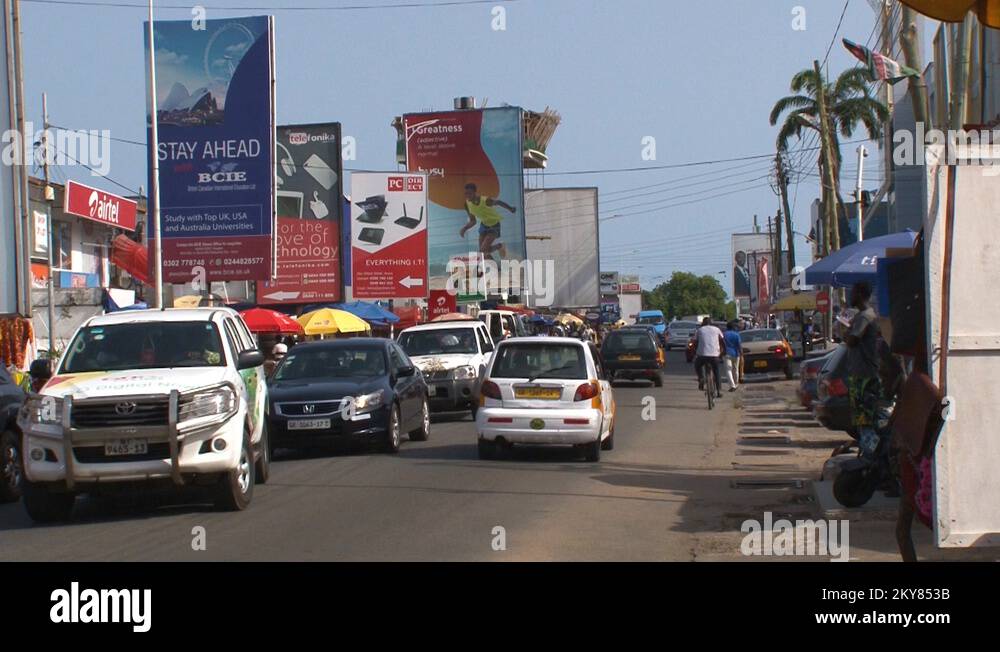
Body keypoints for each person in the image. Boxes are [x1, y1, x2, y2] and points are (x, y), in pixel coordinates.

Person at [844, 282, 881, 457]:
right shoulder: (864, 316)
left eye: (852, 292)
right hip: (862, 375)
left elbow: (852, 340)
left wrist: (845, 330)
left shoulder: (865, 316)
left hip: (865, 377)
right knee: (863, 421)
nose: (849, 295)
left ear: (859, 294)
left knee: (865, 421)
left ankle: (870, 455)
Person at [459, 182, 517, 265]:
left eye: (469, 193)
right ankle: (497, 265)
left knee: (483, 250)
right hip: (484, 225)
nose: (467, 195)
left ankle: (500, 247)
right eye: (466, 193)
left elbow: (498, 202)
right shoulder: (467, 204)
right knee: (483, 253)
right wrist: (464, 228)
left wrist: (510, 209)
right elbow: (473, 221)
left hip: (494, 225)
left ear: (475, 192)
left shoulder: (485, 200)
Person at [694, 317, 726, 398]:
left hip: (702, 355)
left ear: (703, 323)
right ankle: (719, 391)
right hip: (715, 355)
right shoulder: (717, 329)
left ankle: (701, 378)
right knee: (717, 372)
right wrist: (723, 352)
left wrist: (696, 352)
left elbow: (695, 342)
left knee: (697, 365)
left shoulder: (699, 330)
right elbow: (722, 341)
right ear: (711, 323)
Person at [723, 320, 742, 392]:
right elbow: (739, 345)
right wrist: (741, 353)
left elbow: (721, 344)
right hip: (736, 354)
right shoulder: (736, 334)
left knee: (728, 370)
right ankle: (736, 383)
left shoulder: (724, 334)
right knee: (735, 369)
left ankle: (732, 385)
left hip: (727, 353)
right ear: (734, 327)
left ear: (727, 327)